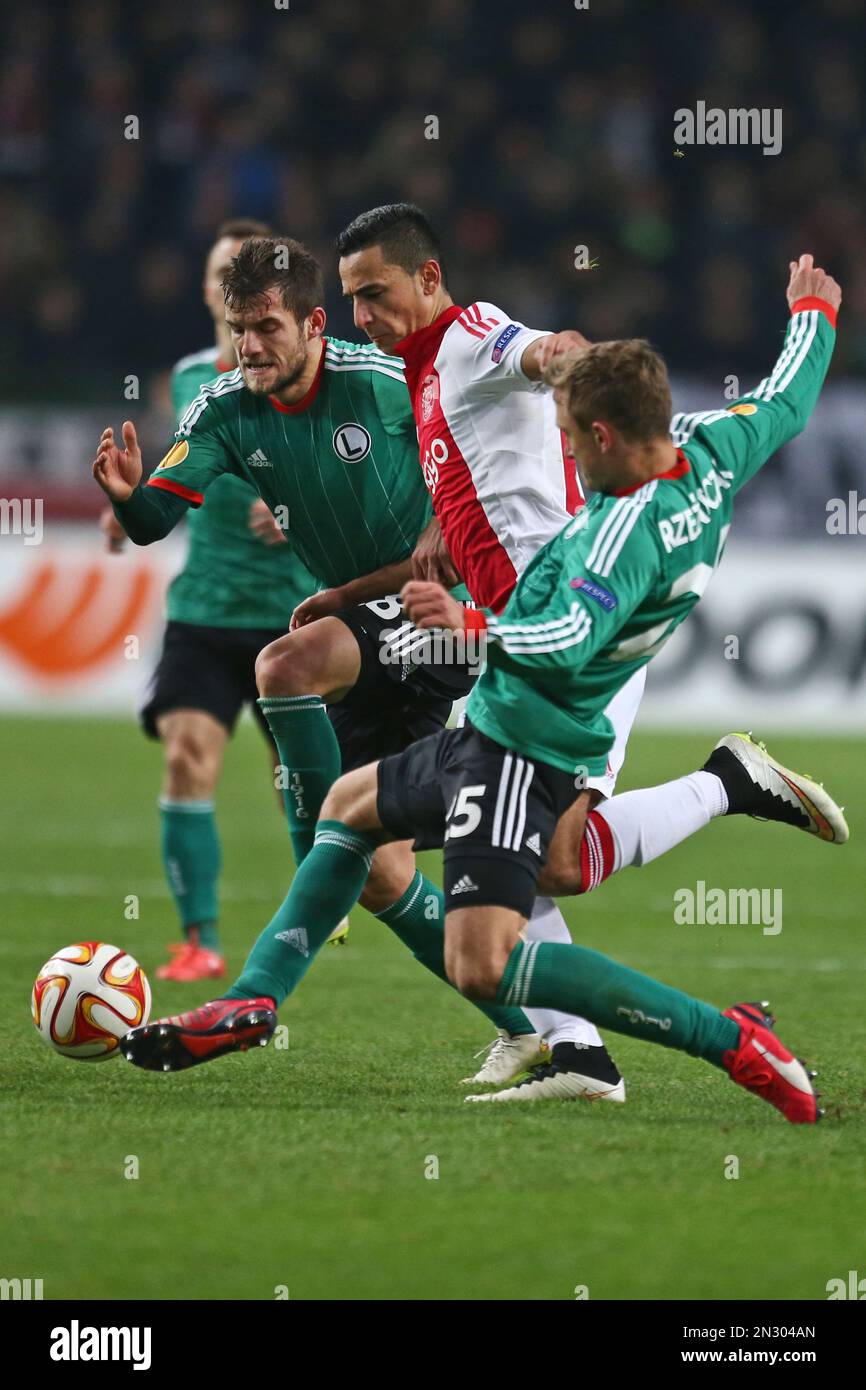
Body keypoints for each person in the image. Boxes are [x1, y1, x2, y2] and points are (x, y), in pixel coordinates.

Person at [121, 255, 847, 1126]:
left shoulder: (618, 532)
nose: (565, 453)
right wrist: (812, 309)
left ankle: (723, 1035)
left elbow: (562, 637)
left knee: (487, 955)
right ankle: (255, 1000)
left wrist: (464, 627)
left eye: (572, 438)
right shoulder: (716, 449)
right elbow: (790, 396)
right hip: (517, 715)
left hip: (524, 735)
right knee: (358, 811)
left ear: (608, 436)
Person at [99, 219, 319, 983]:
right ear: (209, 291)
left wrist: (302, 512)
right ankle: (200, 939)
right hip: (204, 610)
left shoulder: (314, 374)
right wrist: (128, 507)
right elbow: (181, 466)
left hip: (295, 619)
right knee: (188, 760)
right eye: (222, 275)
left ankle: (323, 907)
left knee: (296, 778)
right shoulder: (191, 378)